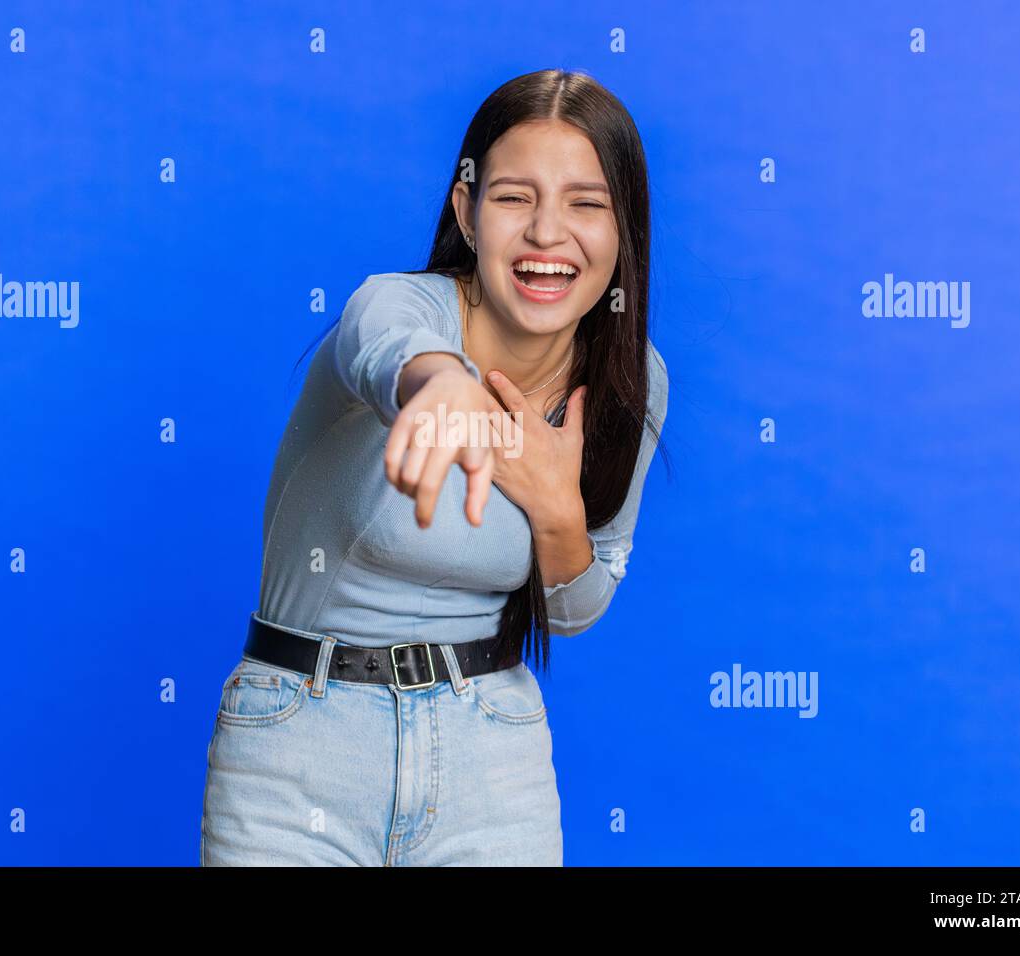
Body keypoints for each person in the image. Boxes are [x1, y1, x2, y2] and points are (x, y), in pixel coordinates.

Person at [201, 68, 669, 866]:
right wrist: (442, 382)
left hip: (492, 759)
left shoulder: (631, 380)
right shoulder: (397, 307)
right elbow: (389, 348)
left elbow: (576, 611)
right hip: (298, 748)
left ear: (624, 229)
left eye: (586, 203)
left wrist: (556, 507)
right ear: (467, 209)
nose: (548, 233)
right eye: (516, 197)